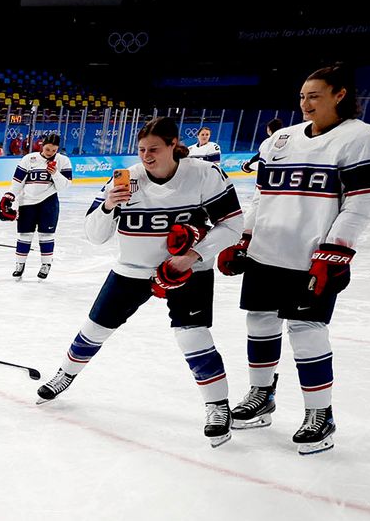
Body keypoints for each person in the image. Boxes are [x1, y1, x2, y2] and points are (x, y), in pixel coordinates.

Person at [35, 116, 245, 447]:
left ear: (174, 145)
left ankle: (218, 407)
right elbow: (94, 235)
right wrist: (107, 207)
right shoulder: (127, 179)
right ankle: (64, 375)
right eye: (142, 149)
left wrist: (193, 256)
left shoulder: (203, 175)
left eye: (154, 149)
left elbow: (233, 224)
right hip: (132, 269)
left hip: (187, 271)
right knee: (94, 328)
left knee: (193, 338)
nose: (146, 156)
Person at [214, 64, 370, 454]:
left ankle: (320, 415)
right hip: (266, 252)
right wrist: (244, 237)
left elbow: (360, 203)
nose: (306, 103)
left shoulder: (360, 137)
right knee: (259, 321)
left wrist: (337, 250)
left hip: (314, 257)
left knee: (307, 332)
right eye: (303, 96)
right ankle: (262, 396)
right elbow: (262, 197)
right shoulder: (280, 140)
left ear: (340, 95)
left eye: (315, 96)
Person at [0, 132, 72, 280]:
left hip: (49, 202)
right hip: (27, 203)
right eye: (47, 149)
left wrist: (55, 173)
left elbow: (65, 185)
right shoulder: (28, 159)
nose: (50, 153)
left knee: (46, 235)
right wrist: (9, 195)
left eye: (53, 150)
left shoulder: (63, 161)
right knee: (24, 235)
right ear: (42, 145)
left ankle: (46, 265)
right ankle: (20, 265)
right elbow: (18, 181)